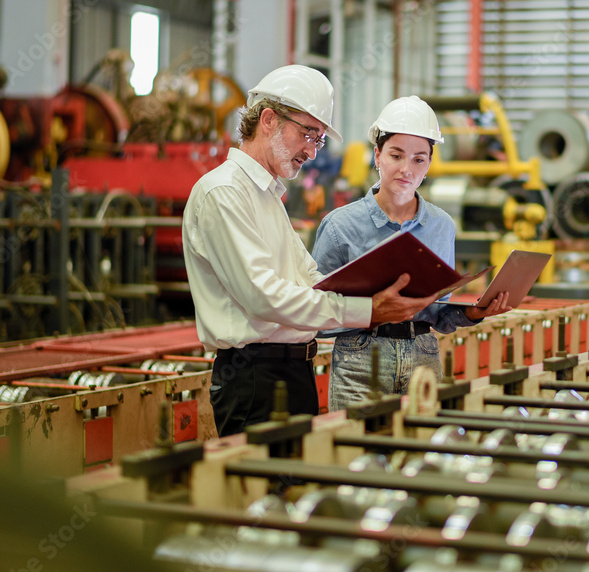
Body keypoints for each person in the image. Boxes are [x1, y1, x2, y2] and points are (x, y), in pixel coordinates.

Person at [182, 66, 439, 436]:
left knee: (293, 488)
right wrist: (365, 310)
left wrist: (377, 292)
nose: (311, 151)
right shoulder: (224, 193)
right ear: (268, 119)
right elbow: (262, 296)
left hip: (291, 371)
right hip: (254, 376)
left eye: (318, 140)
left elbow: (312, 277)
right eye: (308, 134)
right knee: (265, 489)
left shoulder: (268, 196)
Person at [312, 96, 512, 412]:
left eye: (419, 159)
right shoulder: (339, 225)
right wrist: (372, 310)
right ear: (377, 156)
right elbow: (314, 316)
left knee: (423, 453)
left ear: (429, 165)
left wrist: (474, 313)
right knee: (359, 452)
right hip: (361, 358)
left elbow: (437, 311)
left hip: (424, 354)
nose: (407, 169)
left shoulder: (441, 225)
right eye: (396, 155)